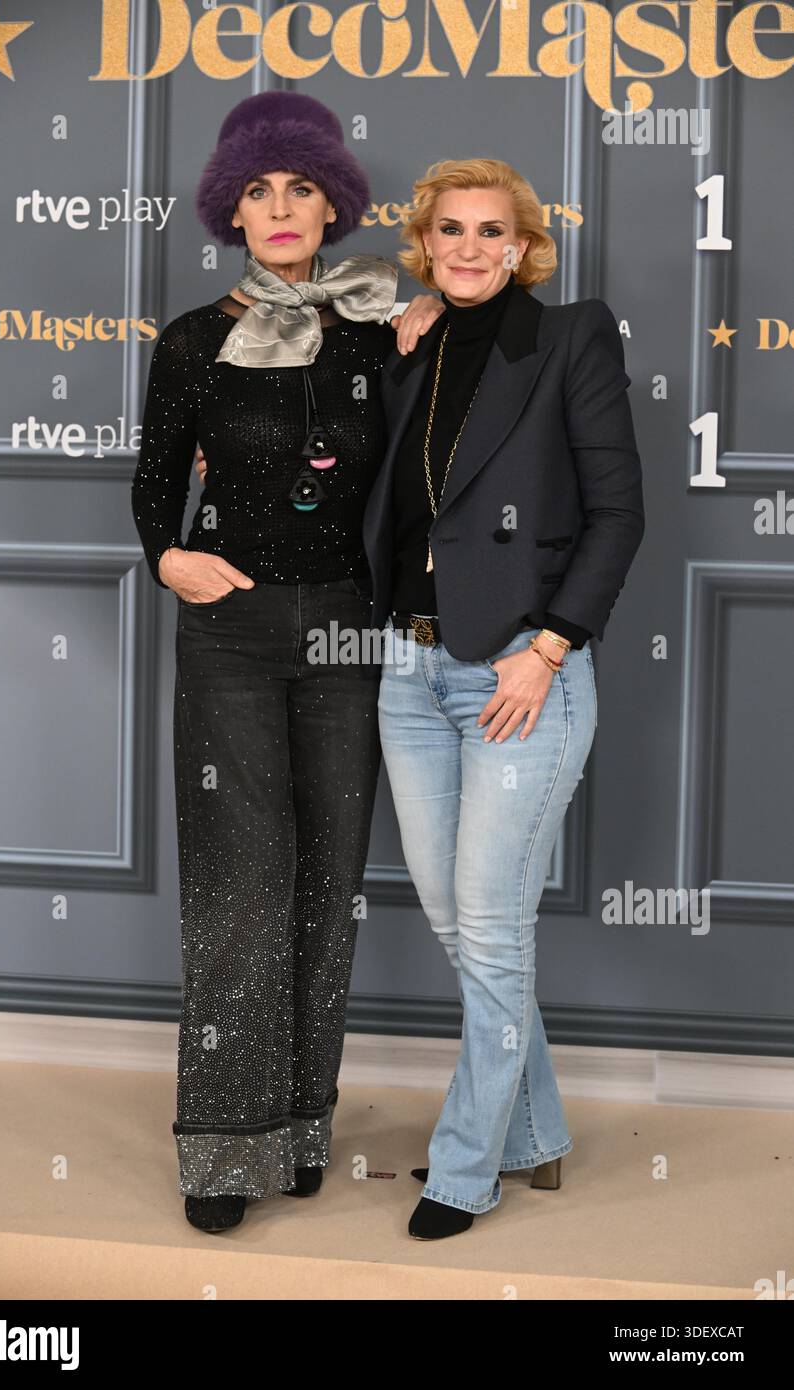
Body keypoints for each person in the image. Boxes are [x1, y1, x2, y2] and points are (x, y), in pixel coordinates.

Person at [130, 91, 440, 1233]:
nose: (277, 208)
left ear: (331, 204)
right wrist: (171, 561)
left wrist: (424, 335)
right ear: (230, 208)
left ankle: (299, 1126)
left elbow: (432, 473)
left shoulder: (377, 332)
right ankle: (222, 1148)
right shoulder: (191, 341)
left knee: (327, 889)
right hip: (233, 633)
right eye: (256, 190)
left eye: (298, 188)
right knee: (237, 891)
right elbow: (156, 489)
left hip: (350, 634)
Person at [362, 157, 645, 1239]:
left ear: (524, 246)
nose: (470, 247)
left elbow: (616, 510)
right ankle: (535, 1134)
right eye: (449, 230)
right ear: (422, 245)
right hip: (411, 667)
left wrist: (550, 645)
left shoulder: (569, 335)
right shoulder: (411, 348)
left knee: (487, 933)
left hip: (519, 674)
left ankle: (465, 1165)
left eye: (492, 231)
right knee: (461, 925)